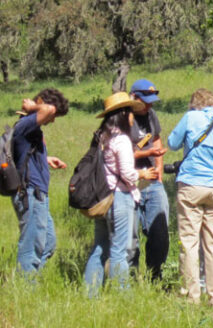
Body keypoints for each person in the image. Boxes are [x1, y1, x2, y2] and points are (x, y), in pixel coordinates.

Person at [167, 89, 213, 305]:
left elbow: (172, 142)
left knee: (190, 242)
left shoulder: (191, 117)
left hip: (191, 184)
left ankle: (192, 296)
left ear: (194, 104)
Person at [84, 92, 157, 296]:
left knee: (100, 247)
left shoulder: (102, 136)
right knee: (119, 250)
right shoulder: (121, 139)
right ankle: (123, 295)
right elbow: (127, 174)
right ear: (124, 113)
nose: (133, 116)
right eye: (131, 111)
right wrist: (142, 173)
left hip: (103, 198)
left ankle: (90, 293)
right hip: (120, 198)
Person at [11, 88, 69, 277]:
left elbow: (24, 155)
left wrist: (46, 159)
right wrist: (33, 107)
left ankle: (29, 278)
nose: (52, 120)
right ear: (41, 102)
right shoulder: (25, 124)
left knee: (48, 244)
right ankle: (24, 287)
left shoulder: (32, 129)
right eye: (55, 116)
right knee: (32, 246)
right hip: (30, 192)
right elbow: (49, 110)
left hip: (39, 194)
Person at [128, 78, 169, 281]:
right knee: (130, 239)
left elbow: (157, 137)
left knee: (160, 233)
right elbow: (118, 154)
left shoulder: (150, 114)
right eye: (145, 101)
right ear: (134, 97)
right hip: (129, 183)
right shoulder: (123, 118)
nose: (150, 105)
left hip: (152, 182)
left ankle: (156, 275)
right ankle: (131, 278)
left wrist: (159, 167)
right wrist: (147, 154)